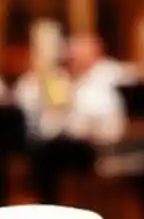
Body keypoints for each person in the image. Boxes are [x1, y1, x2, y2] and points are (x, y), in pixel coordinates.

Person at [23, 32, 125, 207]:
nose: (73, 57)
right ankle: (49, 207)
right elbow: (50, 118)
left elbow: (99, 117)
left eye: (78, 52)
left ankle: (51, 207)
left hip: (101, 144)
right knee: (40, 148)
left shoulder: (108, 75)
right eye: (72, 53)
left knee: (46, 154)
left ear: (96, 52)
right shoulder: (66, 78)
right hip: (73, 141)